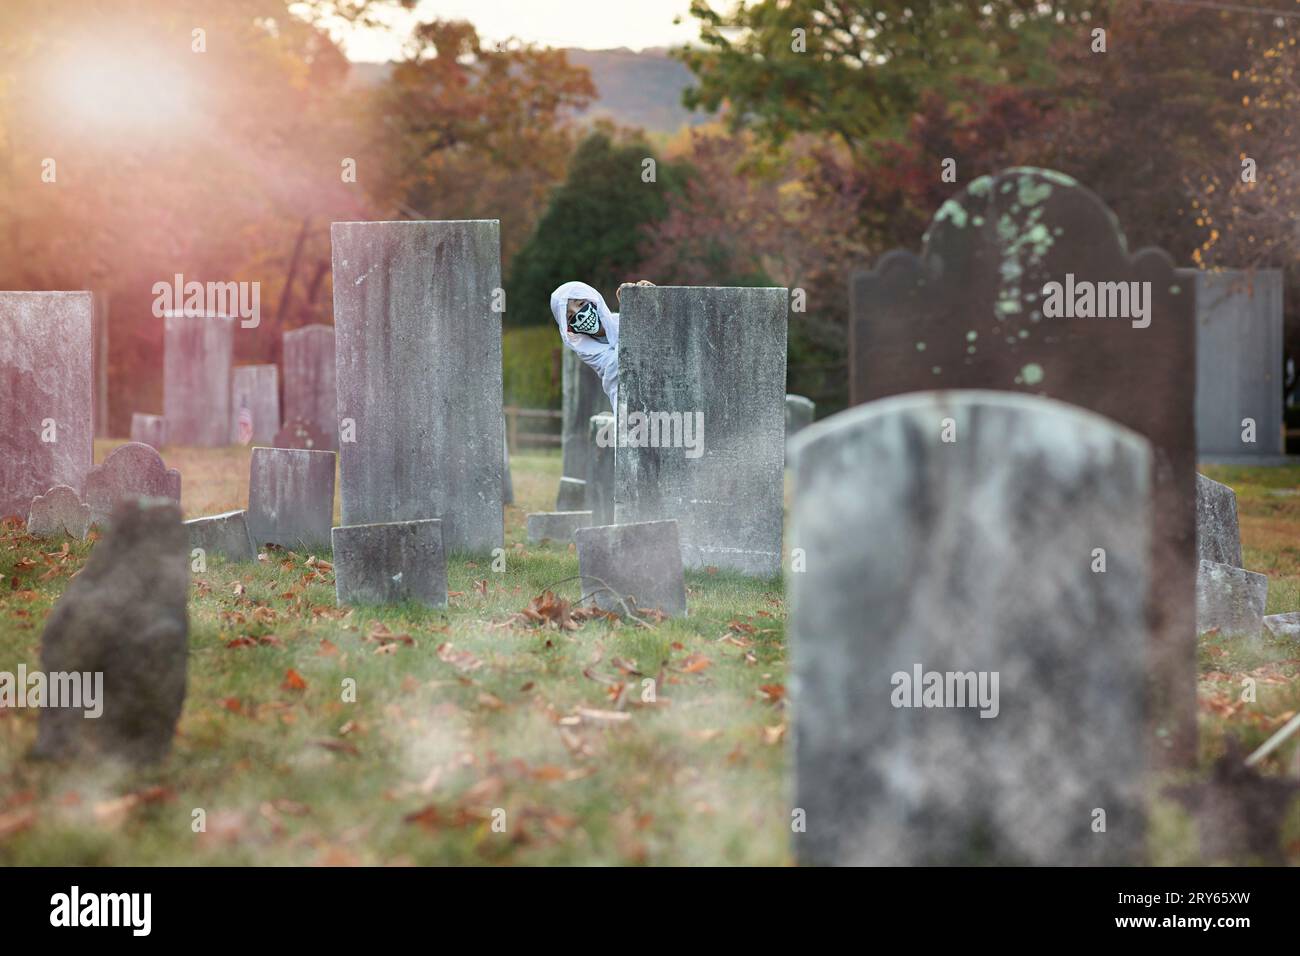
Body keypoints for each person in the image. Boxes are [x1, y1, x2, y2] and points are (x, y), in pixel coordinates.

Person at [549, 279, 653, 411]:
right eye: (570, 317)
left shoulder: (621, 320)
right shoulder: (586, 351)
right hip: (630, 413)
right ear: (568, 328)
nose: (579, 314)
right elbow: (621, 363)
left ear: (593, 300)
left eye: (581, 303)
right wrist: (633, 316)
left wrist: (649, 301)